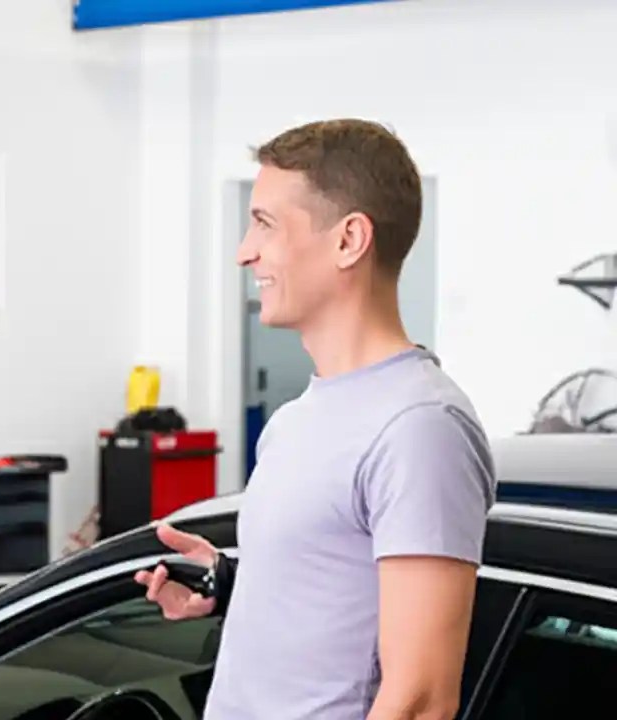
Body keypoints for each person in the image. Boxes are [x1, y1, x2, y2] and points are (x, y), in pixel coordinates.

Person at [136, 119, 495, 719]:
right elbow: (337, 599)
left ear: (349, 240)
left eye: (265, 224)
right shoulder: (297, 419)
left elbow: (421, 701)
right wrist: (231, 583)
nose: (244, 251)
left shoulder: (420, 428)